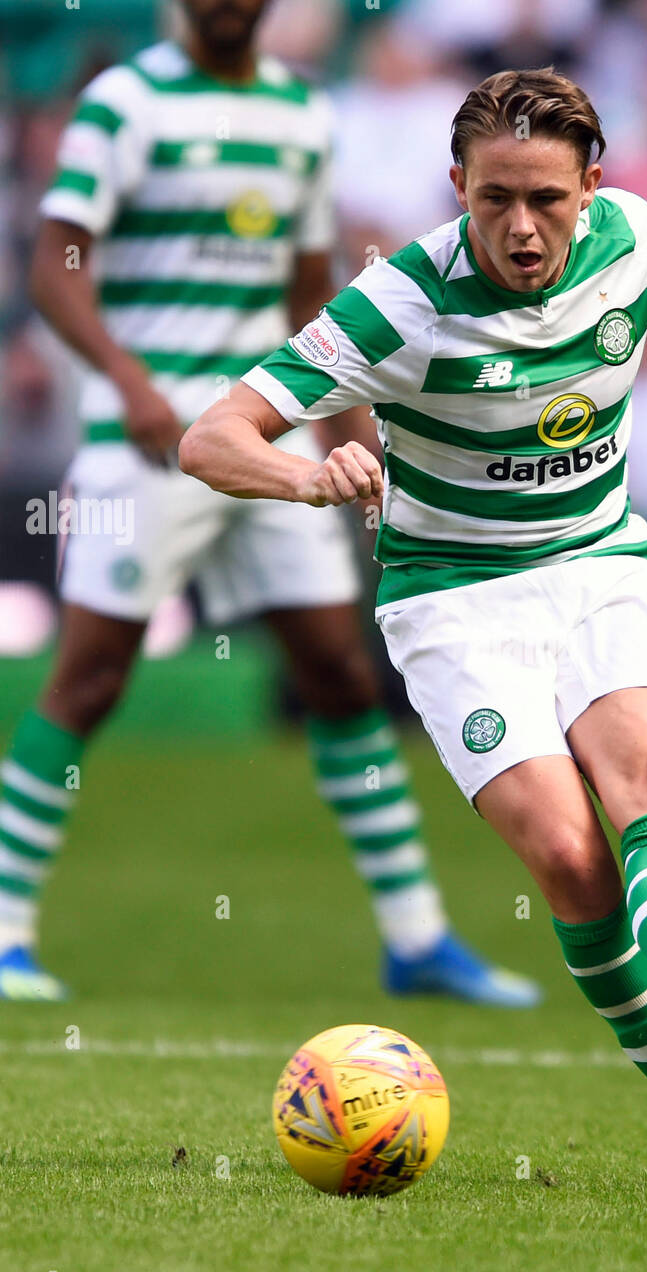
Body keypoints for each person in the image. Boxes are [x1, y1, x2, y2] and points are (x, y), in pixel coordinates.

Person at [181, 68, 647, 1190]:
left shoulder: (631, 233)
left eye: (545, 197)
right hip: (453, 598)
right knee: (571, 859)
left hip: (596, 562)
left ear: (592, 184)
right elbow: (209, 437)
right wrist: (304, 476)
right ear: (457, 187)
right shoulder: (397, 302)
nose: (520, 227)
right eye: (494, 199)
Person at [0, 0, 540, 1010]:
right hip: (144, 443)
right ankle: (4, 930)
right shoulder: (124, 104)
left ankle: (416, 938)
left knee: (337, 671)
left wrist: (351, 434)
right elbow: (54, 264)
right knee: (89, 679)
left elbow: (308, 293)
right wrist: (128, 382)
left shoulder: (302, 109)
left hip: (264, 438)